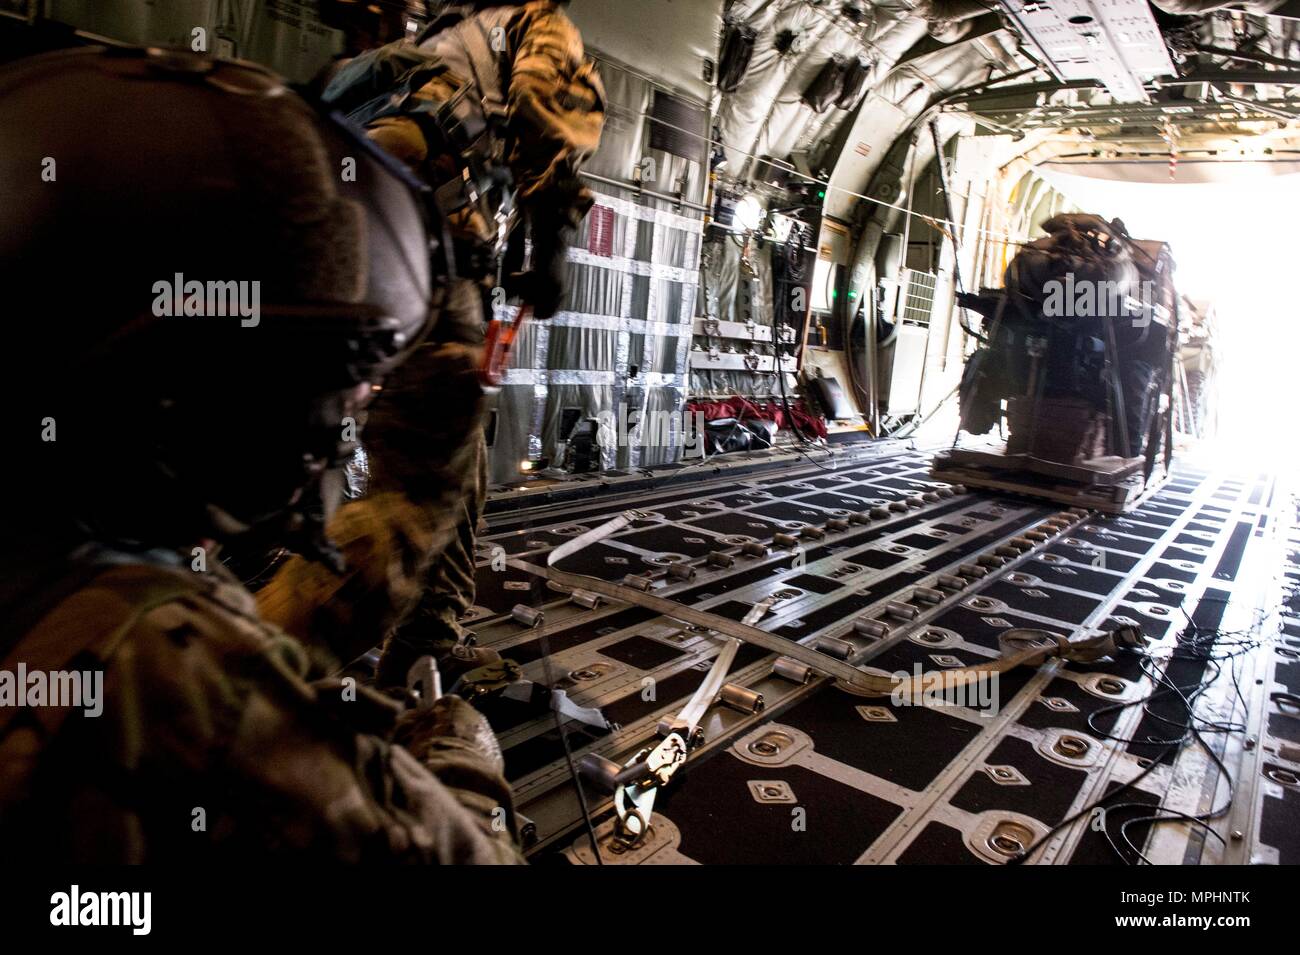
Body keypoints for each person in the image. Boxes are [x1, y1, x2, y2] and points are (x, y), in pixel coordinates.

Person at [0, 45, 522, 863]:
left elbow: (236, 649)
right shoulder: (157, 675)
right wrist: (459, 763)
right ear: (200, 386)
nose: (347, 403)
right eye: (312, 376)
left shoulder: (68, 574)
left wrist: (422, 464)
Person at [256, 0, 605, 691]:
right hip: (427, 236)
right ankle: (255, 679)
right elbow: (544, 115)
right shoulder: (537, 20)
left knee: (427, 446)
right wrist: (552, 238)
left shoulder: (436, 38)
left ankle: (414, 626)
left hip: (332, 231)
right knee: (423, 482)